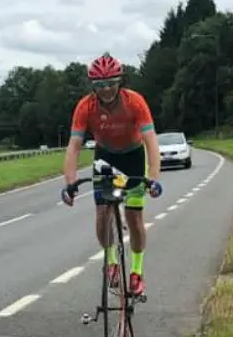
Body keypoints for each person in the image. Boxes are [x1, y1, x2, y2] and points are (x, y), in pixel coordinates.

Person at [60, 52, 163, 297]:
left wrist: (154, 178)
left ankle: (137, 272)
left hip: (133, 158)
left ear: (120, 81)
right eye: (99, 85)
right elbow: (74, 146)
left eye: (111, 83)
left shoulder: (135, 102)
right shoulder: (86, 106)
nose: (106, 89)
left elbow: (150, 140)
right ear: (93, 86)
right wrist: (70, 183)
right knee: (102, 214)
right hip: (106, 159)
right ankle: (112, 262)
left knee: (134, 217)